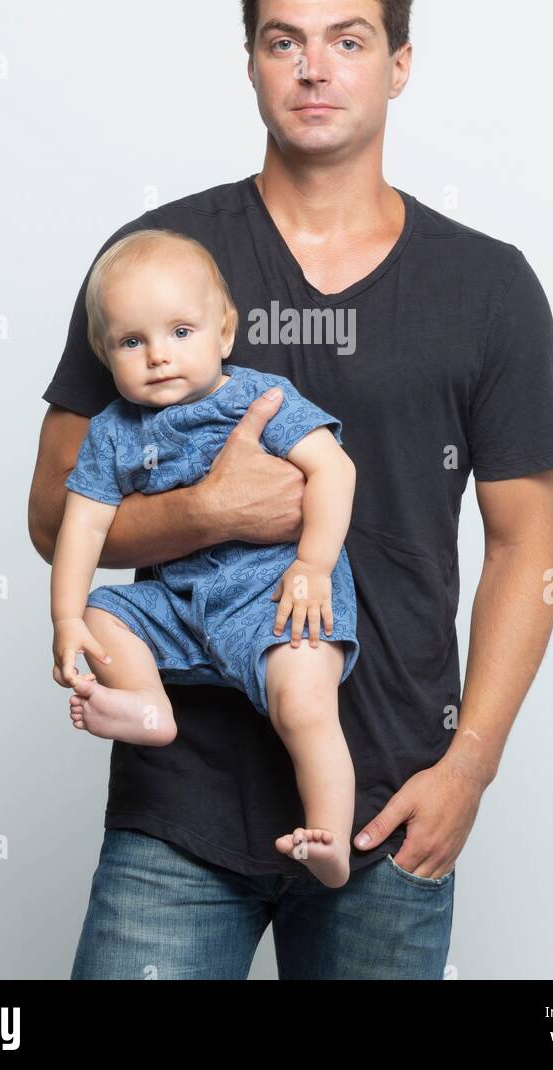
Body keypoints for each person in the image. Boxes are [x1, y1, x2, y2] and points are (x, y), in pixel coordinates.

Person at [28, 0, 553, 980]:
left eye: (347, 38)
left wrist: (470, 766)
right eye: (284, 41)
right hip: (181, 796)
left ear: (399, 62)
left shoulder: (486, 287)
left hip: (391, 803)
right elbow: (54, 515)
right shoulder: (156, 267)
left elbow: (527, 547)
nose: (314, 68)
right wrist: (208, 513)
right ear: (249, 63)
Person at [51, 226, 360, 888]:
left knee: (304, 705)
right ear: (107, 356)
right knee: (107, 611)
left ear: (224, 332)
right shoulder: (111, 431)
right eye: (133, 342)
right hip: (187, 605)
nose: (159, 356)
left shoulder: (258, 397)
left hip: (280, 595)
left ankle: (330, 836)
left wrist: (311, 564)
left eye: (181, 332)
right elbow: (82, 526)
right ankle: (147, 707)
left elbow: (335, 472)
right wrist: (66, 618)